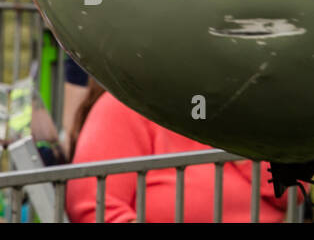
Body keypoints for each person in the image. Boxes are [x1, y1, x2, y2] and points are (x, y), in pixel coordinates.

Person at [65, 82, 287, 223]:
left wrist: (231, 133)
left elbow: (289, 193)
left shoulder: (239, 102)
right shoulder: (125, 105)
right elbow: (94, 207)